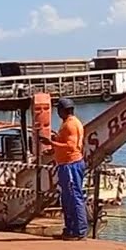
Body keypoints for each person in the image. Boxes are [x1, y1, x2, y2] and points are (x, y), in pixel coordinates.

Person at [40, 97, 88, 239]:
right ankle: (70, 228)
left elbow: (71, 146)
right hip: (65, 163)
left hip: (71, 164)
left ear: (63, 110)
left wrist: (51, 142)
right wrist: (54, 149)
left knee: (74, 197)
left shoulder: (70, 125)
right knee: (67, 198)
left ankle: (79, 231)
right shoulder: (68, 124)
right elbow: (64, 144)